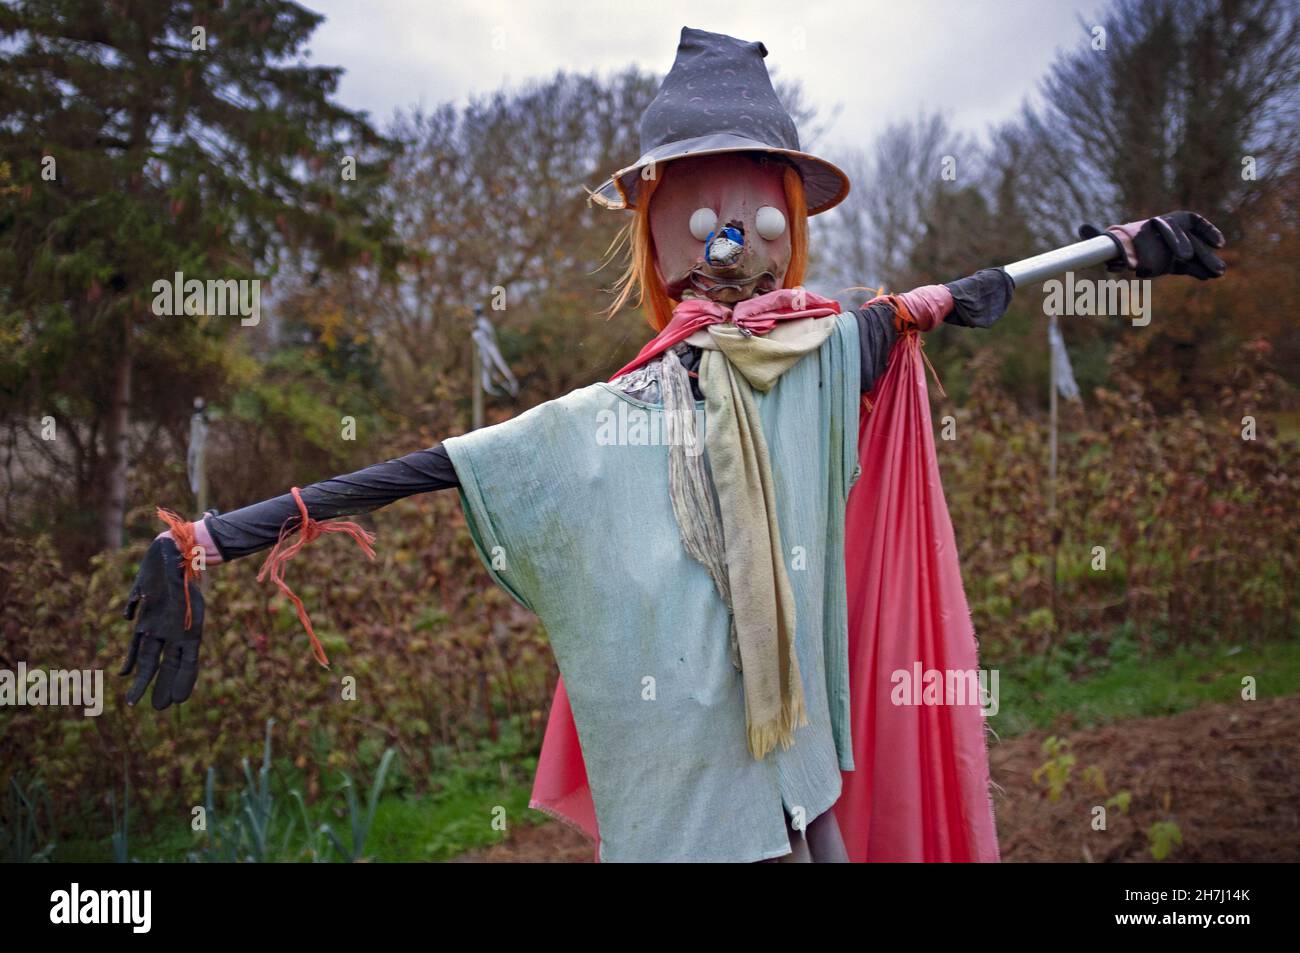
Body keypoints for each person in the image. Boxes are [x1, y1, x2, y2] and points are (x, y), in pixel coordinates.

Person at [122, 27, 1227, 863]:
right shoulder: (612, 412)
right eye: (700, 211)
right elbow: (432, 466)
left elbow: (967, 293)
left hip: (795, 760)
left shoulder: (830, 347)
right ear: (657, 224)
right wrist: (216, 536)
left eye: (747, 205)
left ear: (786, 212)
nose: (726, 238)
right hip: (691, 774)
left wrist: (1120, 247)